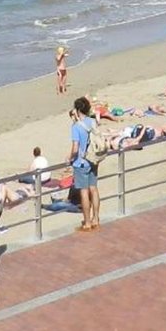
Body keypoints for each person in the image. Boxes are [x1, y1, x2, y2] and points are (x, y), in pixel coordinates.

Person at [69, 97, 100, 231]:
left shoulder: (76, 127)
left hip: (81, 162)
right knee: (94, 188)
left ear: (77, 110)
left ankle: (87, 221)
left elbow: (75, 148)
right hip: (93, 158)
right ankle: (96, 218)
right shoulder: (92, 122)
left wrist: (69, 157)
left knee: (84, 191)